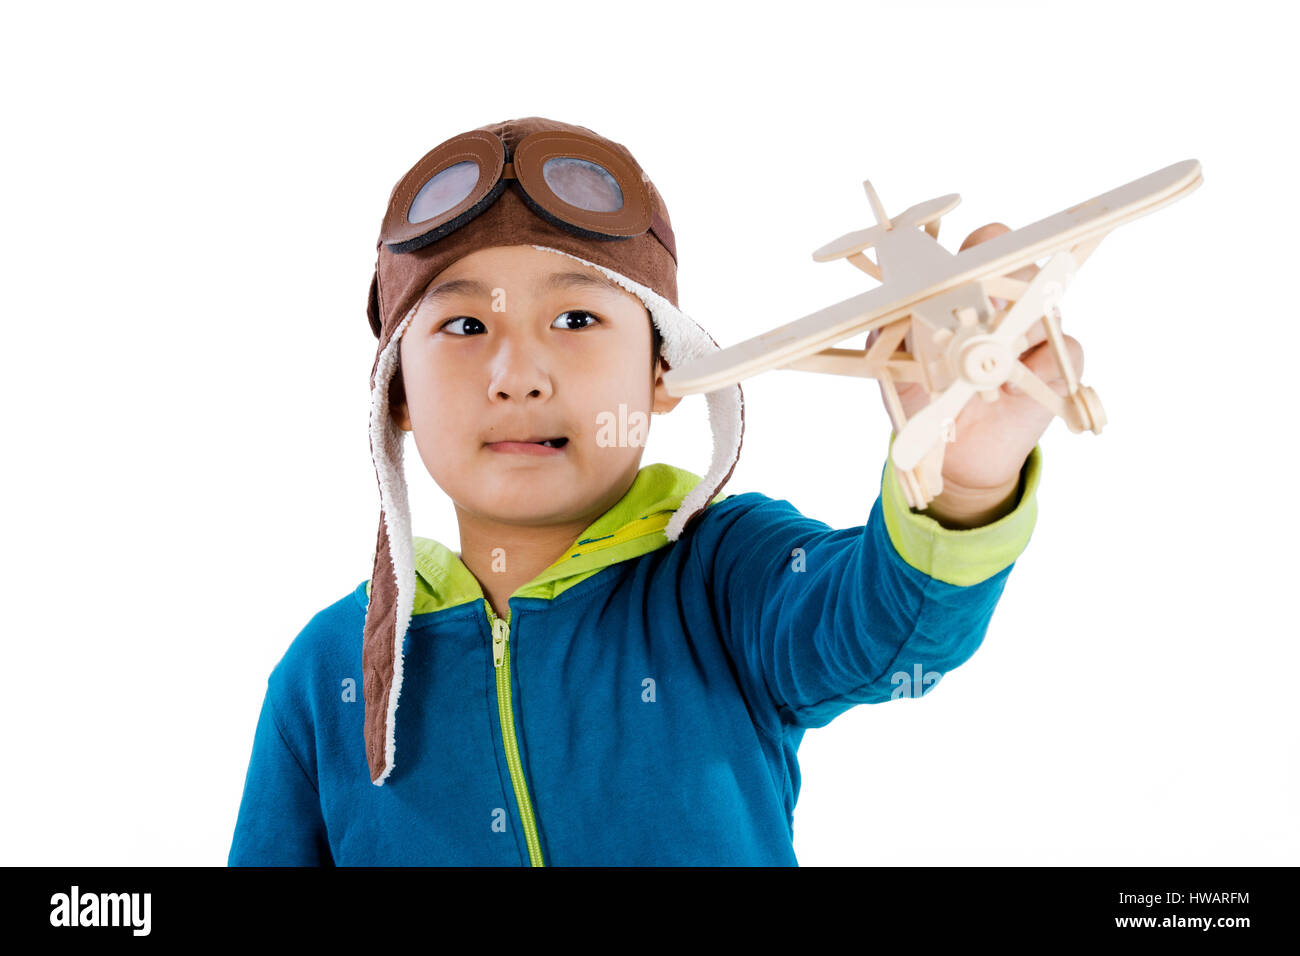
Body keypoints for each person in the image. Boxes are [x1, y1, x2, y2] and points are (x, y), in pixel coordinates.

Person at [227, 115, 1077, 866]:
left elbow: (888, 632)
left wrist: (960, 476)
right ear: (397, 393)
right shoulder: (327, 673)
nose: (518, 375)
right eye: (463, 325)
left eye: (575, 319)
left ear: (664, 370)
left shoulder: (725, 578)